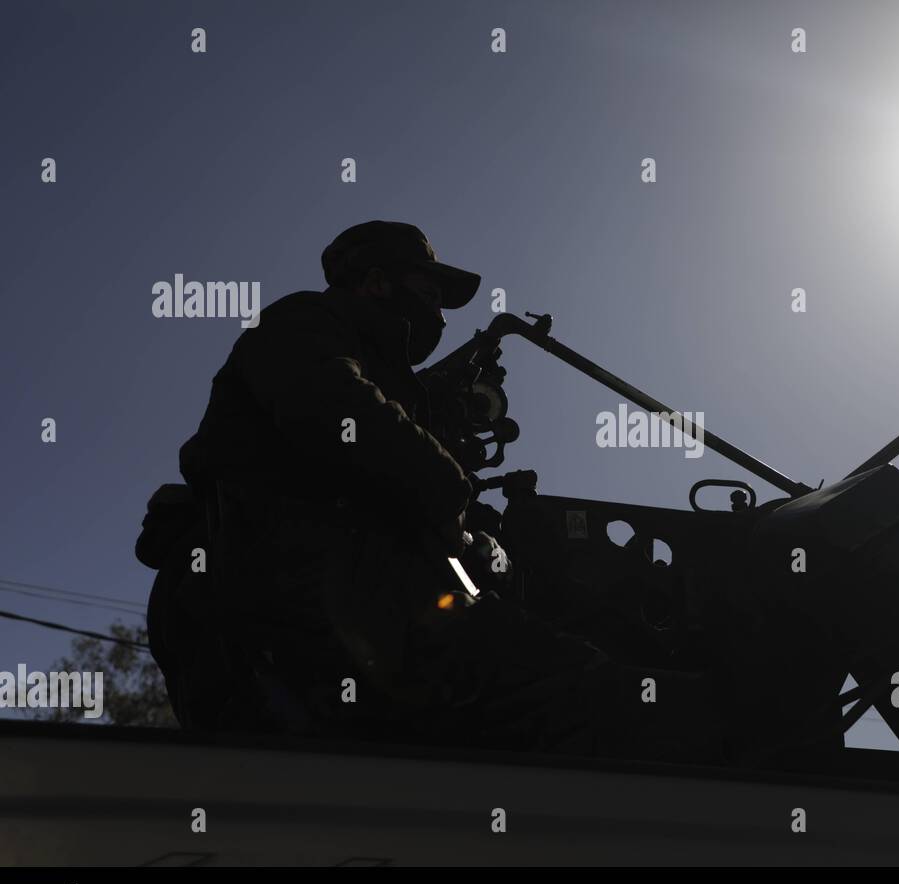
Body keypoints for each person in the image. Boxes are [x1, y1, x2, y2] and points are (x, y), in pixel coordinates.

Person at [139, 221, 730, 763]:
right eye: (429, 292)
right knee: (582, 687)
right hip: (289, 614)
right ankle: (737, 733)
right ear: (375, 282)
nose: (440, 314)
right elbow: (340, 414)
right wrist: (448, 496)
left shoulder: (384, 375)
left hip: (340, 612)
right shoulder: (301, 323)